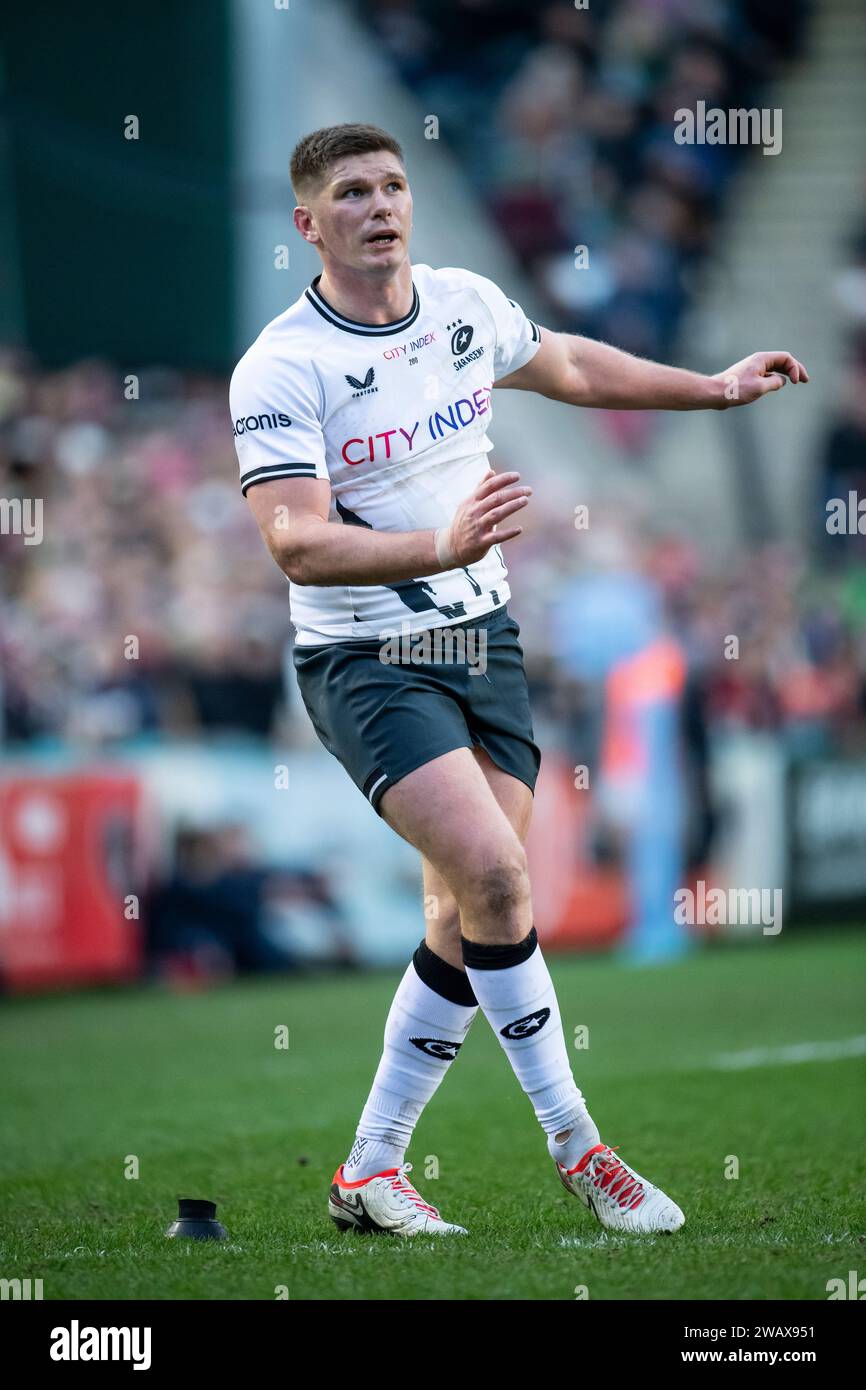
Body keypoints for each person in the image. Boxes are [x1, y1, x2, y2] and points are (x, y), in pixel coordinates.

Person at [230, 122, 808, 1237]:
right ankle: (581, 1149)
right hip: (366, 654)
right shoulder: (282, 363)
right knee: (496, 881)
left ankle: (368, 1172)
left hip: (480, 639)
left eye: (393, 184)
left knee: (463, 912)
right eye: (351, 192)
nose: (381, 204)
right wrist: (440, 544)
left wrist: (712, 388)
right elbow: (295, 543)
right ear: (308, 224)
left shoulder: (460, 303)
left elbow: (573, 365)